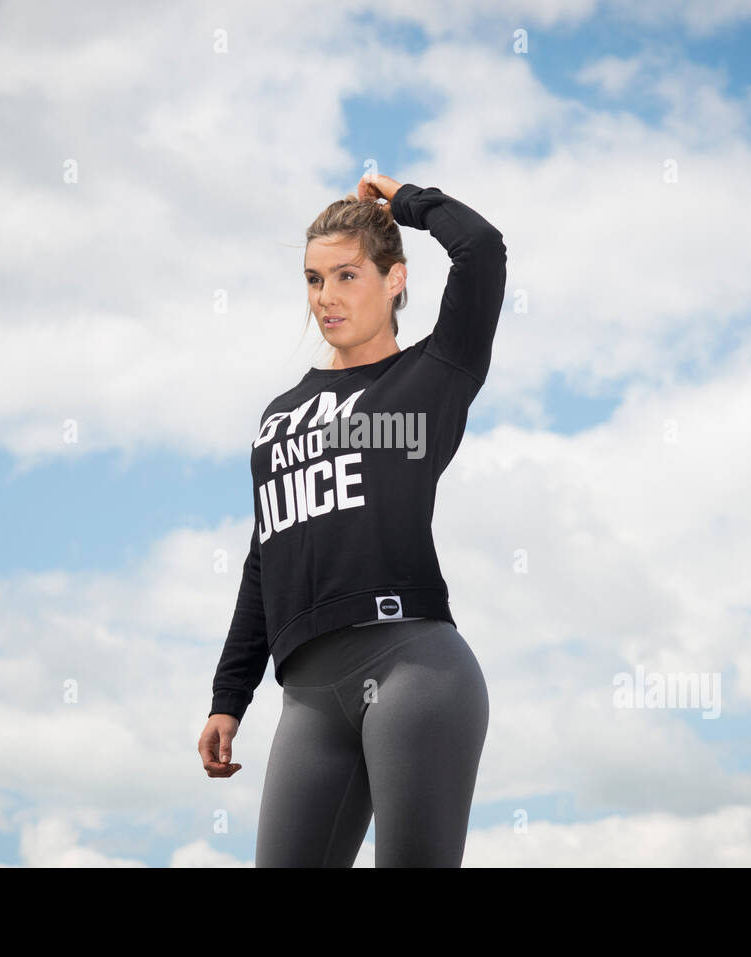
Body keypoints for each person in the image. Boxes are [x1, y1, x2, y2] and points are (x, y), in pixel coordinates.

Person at [197, 173, 507, 866]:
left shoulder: (433, 373)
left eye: (346, 274)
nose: (325, 297)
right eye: (313, 279)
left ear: (394, 280)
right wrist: (228, 697)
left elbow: (482, 250)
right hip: (306, 696)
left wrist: (406, 201)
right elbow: (264, 558)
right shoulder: (280, 415)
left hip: (412, 669)